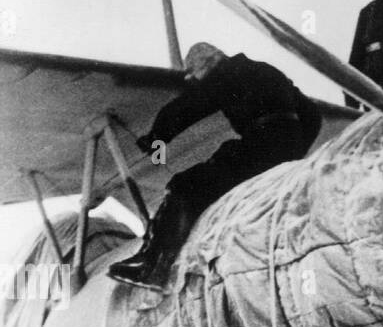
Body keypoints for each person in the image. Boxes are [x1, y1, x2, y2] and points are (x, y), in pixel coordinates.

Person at [110, 43, 323, 290]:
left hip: (259, 145)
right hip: (286, 144)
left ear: (206, 65)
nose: (192, 79)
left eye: (192, 73)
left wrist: (156, 140)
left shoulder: (223, 74)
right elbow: (312, 115)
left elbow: (184, 108)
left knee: (185, 184)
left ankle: (151, 265)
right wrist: (293, 152)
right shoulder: (266, 69)